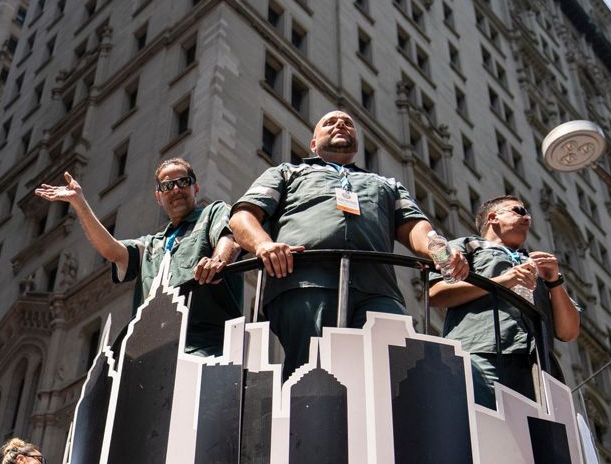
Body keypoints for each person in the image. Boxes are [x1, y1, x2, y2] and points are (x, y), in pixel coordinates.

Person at [230, 110, 468, 378]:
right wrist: (263, 245)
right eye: (329, 122)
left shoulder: (386, 185)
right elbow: (243, 216)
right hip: (305, 282)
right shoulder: (287, 173)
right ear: (313, 143)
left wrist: (438, 248)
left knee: (392, 369)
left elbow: (414, 226)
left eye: (348, 124)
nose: (340, 124)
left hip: (378, 289)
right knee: (311, 372)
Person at [36, 158, 242, 355]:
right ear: (158, 197)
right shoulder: (151, 245)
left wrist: (217, 261)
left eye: (183, 182)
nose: (176, 189)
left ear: (195, 188)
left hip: (208, 346)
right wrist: (79, 202)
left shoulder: (212, 213)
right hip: (152, 352)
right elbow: (111, 250)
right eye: (167, 185)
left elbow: (229, 238)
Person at [428, 195, 580, 407]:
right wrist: (504, 280)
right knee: (478, 420)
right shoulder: (467, 247)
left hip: (536, 368)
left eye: (528, 214)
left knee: (531, 437)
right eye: (518, 211)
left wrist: (555, 281)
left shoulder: (539, 266)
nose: (527, 218)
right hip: (480, 353)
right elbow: (436, 293)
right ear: (493, 217)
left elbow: (568, 332)